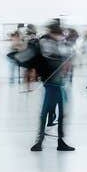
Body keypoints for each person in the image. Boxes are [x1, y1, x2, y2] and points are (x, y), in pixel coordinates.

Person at [11, 20, 75, 152]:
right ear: (53, 32)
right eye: (58, 32)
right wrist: (17, 57)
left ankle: (54, 141)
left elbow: (63, 58)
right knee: (48, 112)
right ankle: (41, 142)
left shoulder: (56, 43)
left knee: (59, 113)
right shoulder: (45, 43)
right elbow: (45, 57)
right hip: (52, 84)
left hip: (58, 83)